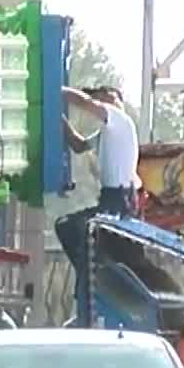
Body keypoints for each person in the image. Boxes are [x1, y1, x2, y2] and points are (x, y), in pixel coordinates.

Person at [55, 85, 141, 314]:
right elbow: (78, 144)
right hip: (111, 198)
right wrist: (57, 115)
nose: (104, 103)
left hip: (119, 199)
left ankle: (92, 282)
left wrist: (56, 90)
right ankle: (90, 279)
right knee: (71, 228)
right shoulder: (106, 132)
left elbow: (86, 103)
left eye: (108, 98)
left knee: (78, 230)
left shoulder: (119, 119)